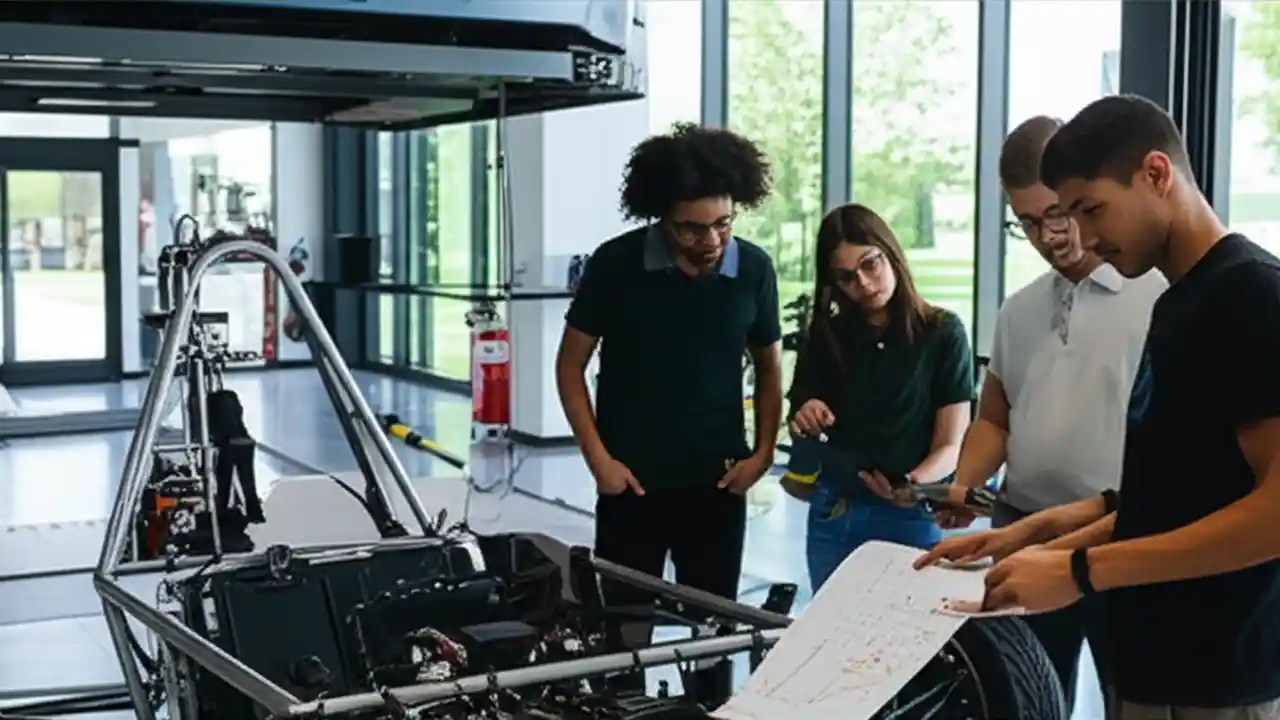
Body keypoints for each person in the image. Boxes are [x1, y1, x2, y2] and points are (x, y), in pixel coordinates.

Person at [917, 94, 1280, 720]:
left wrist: (1082, 570)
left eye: (1089, 210)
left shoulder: (1252, 294)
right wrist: (1028, 535)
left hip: (1219, 678)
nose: (1079, 238)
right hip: (1156, 666)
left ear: (1157, 175)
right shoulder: (1177, 303)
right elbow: (1174, 500)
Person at [933, 115, 1166, 713]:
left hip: (1119, 536)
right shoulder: (1019, 309)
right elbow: (994, 418)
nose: (1048, 236)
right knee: (1028, 702)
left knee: (1134, 697)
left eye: (1056, 215)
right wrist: (963, 481)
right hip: (1024, 532)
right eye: (1028, 223)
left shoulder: (1161, 296)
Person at [555, 123, 783, 706]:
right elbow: (569, 368)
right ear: (661, 215)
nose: (711, 239)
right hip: (631, 485)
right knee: (624, 640)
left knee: (713, 638)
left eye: (723, 223)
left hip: (717, 486)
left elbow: (770, 368)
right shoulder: (615, 264)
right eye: (693, 227)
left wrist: (761, 456)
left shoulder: (753, 269)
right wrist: (599, 460)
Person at [786, 203, 973, 591]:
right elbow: (800, 414)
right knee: (830, 632)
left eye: (871, 264)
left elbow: (951, 443)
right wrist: (807, 411)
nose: (865, 283)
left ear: (891, 255)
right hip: (835, 508)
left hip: (906, 512)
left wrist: (914, 485)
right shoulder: (827, 335)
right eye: (847, 277)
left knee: (905, 637)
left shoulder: (941, 332)